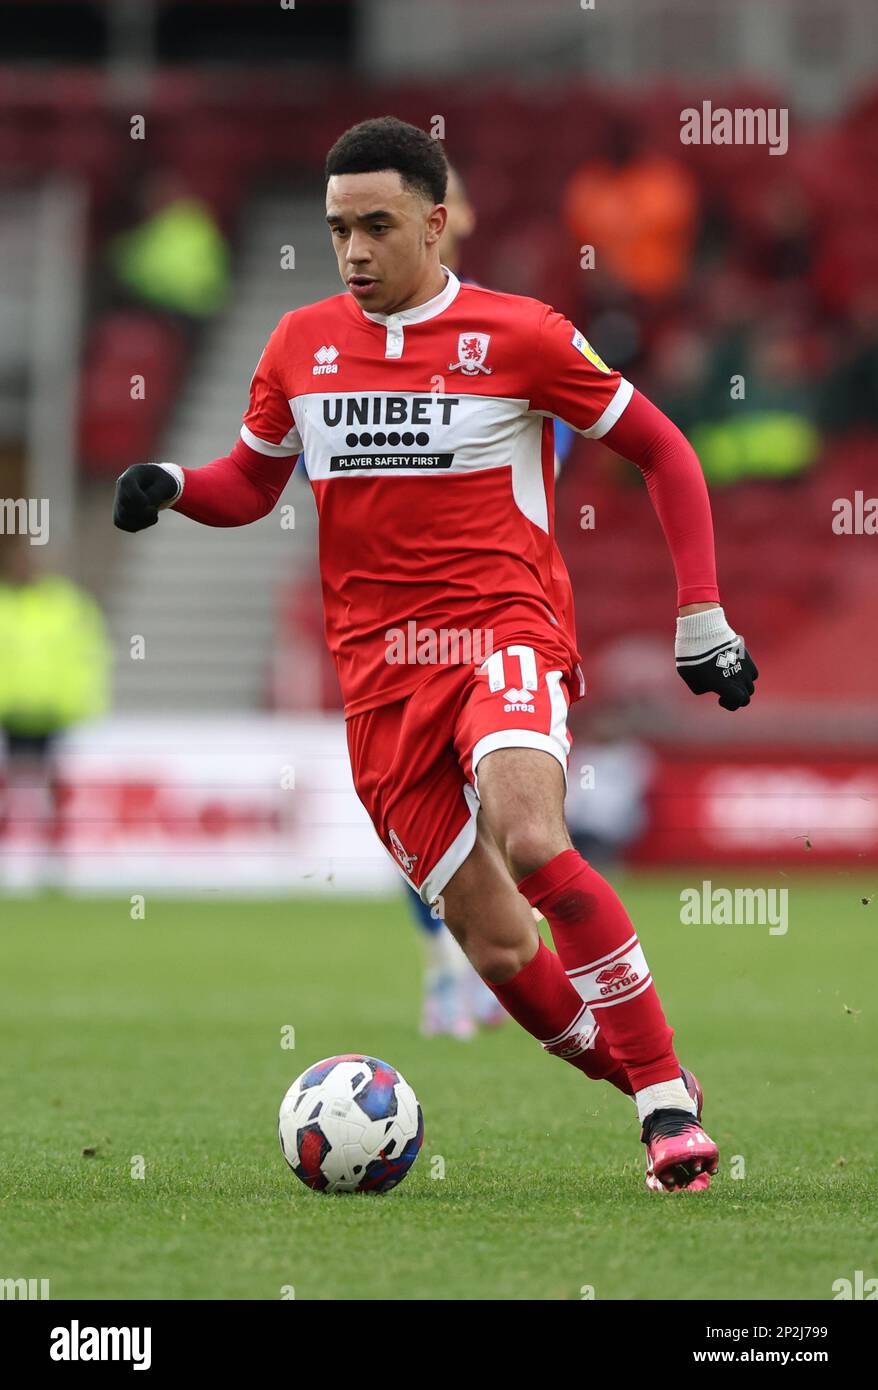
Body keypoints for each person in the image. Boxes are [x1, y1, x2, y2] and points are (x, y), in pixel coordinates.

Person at [114, 117, 758, 1194]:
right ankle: (657, 1080)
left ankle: (661, 1112)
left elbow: (661, 448)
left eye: (375, 226)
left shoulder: (522, 336)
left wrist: (703, 614)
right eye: (336, 231)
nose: (355, 251)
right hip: (376, 681)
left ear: (433, 219)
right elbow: (251, 481)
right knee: (500, 949)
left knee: (531, 834)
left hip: (498, 634)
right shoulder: (298, 346)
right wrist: (176, 486)